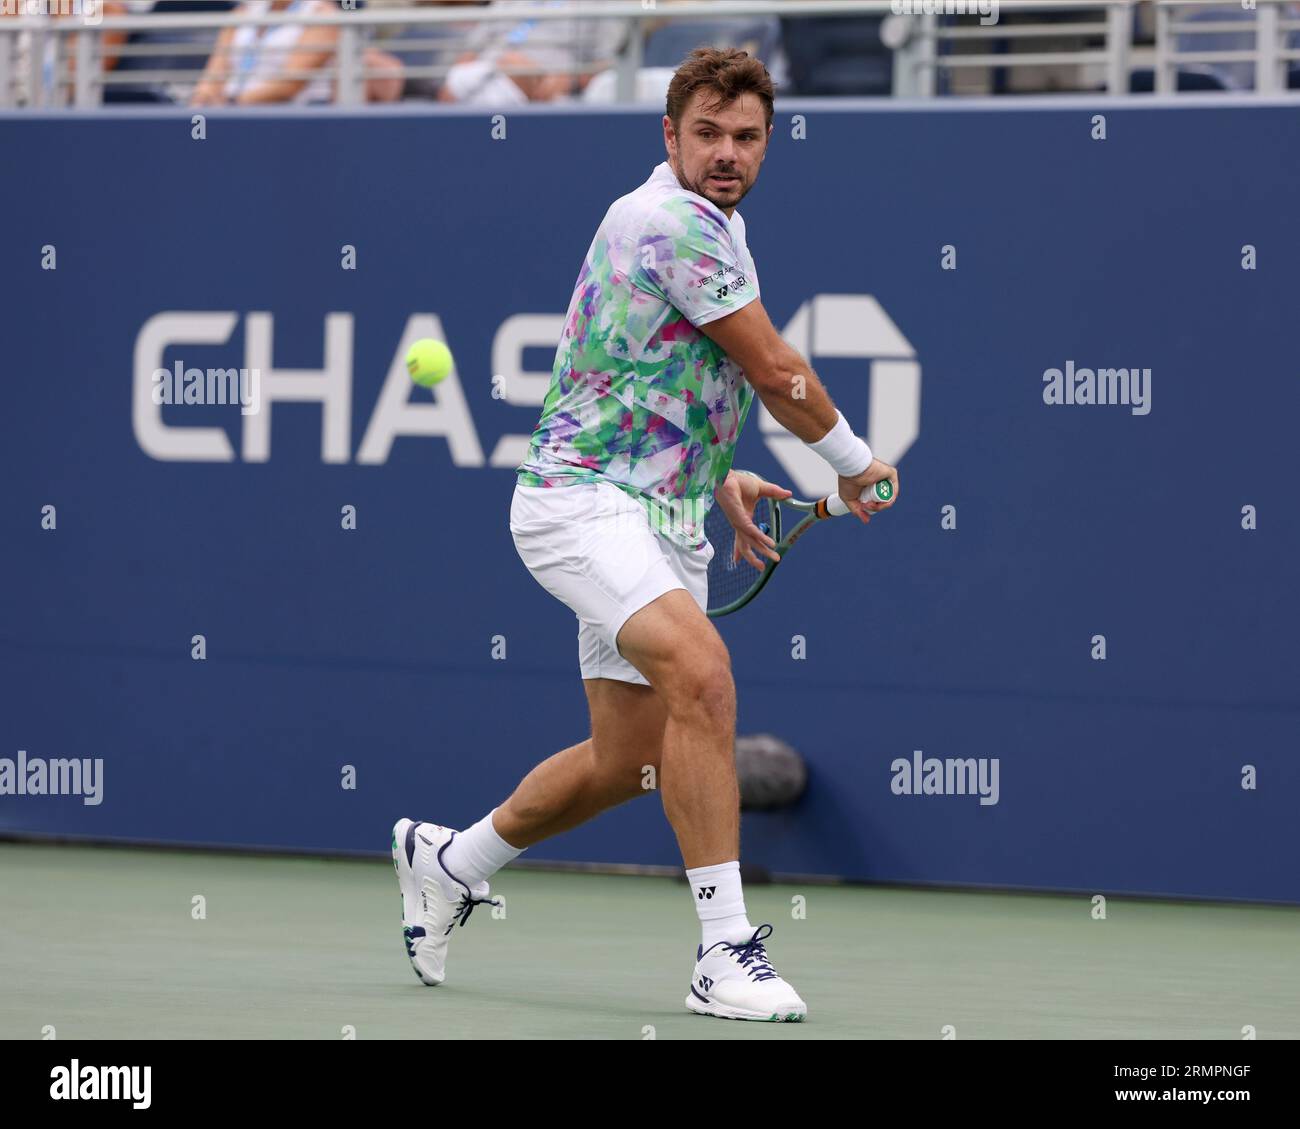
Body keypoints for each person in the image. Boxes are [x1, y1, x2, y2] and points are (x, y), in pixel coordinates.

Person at [391, 47, 899, 1023]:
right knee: (703, 676)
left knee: (628, 759)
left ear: (767, 143)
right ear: (668, 136)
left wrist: (719, 473)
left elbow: (654, 374)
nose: (725, 152)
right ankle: (722, 953)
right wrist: (852, 461)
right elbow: (773, 370)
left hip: (659, 510)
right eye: (705, 134)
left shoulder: (718, 227)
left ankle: (449, 859)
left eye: (744, 137)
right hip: (578, 502)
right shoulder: (670, 218)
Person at [190, 0, 403, 106]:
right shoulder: (242, 13)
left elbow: (288, 85)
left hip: (289, 120)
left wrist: (230, 104)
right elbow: (213, 74)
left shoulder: (323, 15)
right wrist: (202, 101)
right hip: (228, 114)